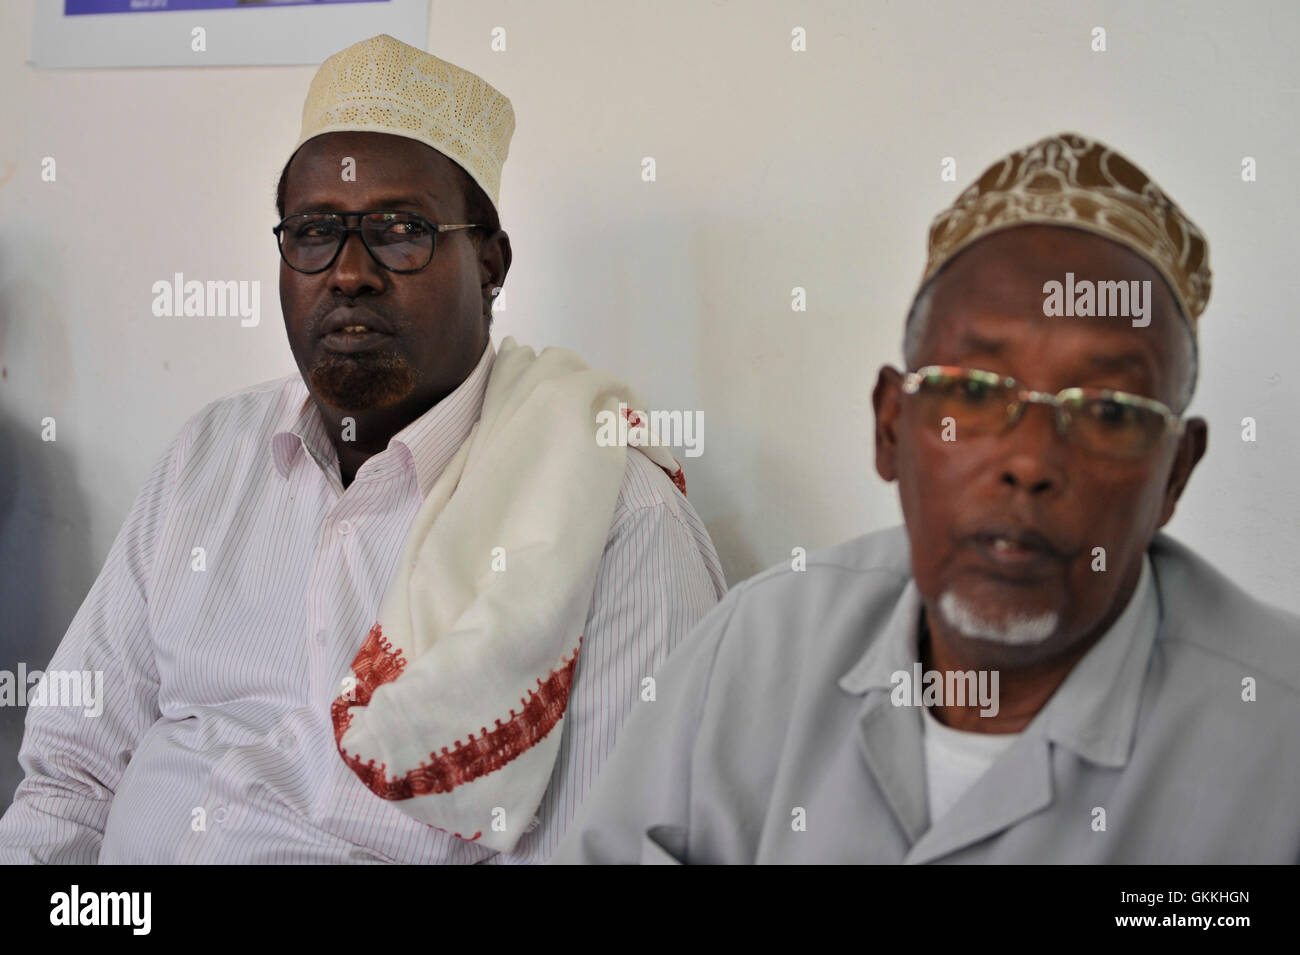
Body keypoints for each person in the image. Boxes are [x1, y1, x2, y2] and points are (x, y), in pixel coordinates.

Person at [0, 34, 724, 864]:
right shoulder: (209, 457)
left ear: (490, 264)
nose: (349, 272)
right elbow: (69, 775)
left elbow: (609, 850)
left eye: (399, 230)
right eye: (315, 232)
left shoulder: (606, 515)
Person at [553, 132, 1300, 864]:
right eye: (973, 392)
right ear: (891, 427)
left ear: (1175, 473)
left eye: (1107, 411)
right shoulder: (754, 652)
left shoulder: (1274, 738)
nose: (1031, 461)